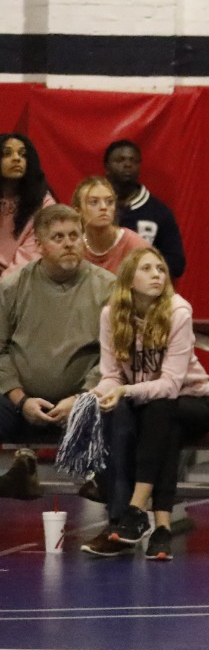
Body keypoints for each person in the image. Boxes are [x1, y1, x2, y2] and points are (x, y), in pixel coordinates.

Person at [81, 247, 209, 559]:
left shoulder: (177, 312)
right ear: (129, 279)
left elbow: (171, 386)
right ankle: (162, 529)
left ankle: (133, 510)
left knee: (161, 409)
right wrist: (95, 395)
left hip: (196, 403)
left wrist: (126, 392)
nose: (157, 274)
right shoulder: (111, 314)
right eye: (147, 269)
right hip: (155, 408)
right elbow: (111, 374)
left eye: (160, 269)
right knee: (159, 424)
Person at [0, 206, 115, 498]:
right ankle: (17, 476)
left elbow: (112, 357)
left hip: (85, 401)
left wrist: (81, 398)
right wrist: (20, 399)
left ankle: (115, 506)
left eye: (75, 235)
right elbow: (0, 352)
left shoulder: (108, 288)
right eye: (58, 237)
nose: (69, 243)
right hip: (20, 403)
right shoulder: (12, 287)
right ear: (39, 245)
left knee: (122, 409)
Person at [105, 140, 188, 278]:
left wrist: (145, 268)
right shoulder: (93, 209)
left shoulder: (159, 213)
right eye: (120, 160)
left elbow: (176, 263)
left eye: (133, 161)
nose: (127, 164)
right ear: (107, 168)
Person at [0, 133, 55, 273]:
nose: (17, 159)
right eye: (7, 154)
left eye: (23, 155)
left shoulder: (44, 205)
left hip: (20, 285)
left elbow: (29, 260)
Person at [73, 176, 149, 274]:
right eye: (94, 202)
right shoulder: (75, 248)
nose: (104, 207)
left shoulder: (135, 246)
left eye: (109, 202)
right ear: (78, 212)